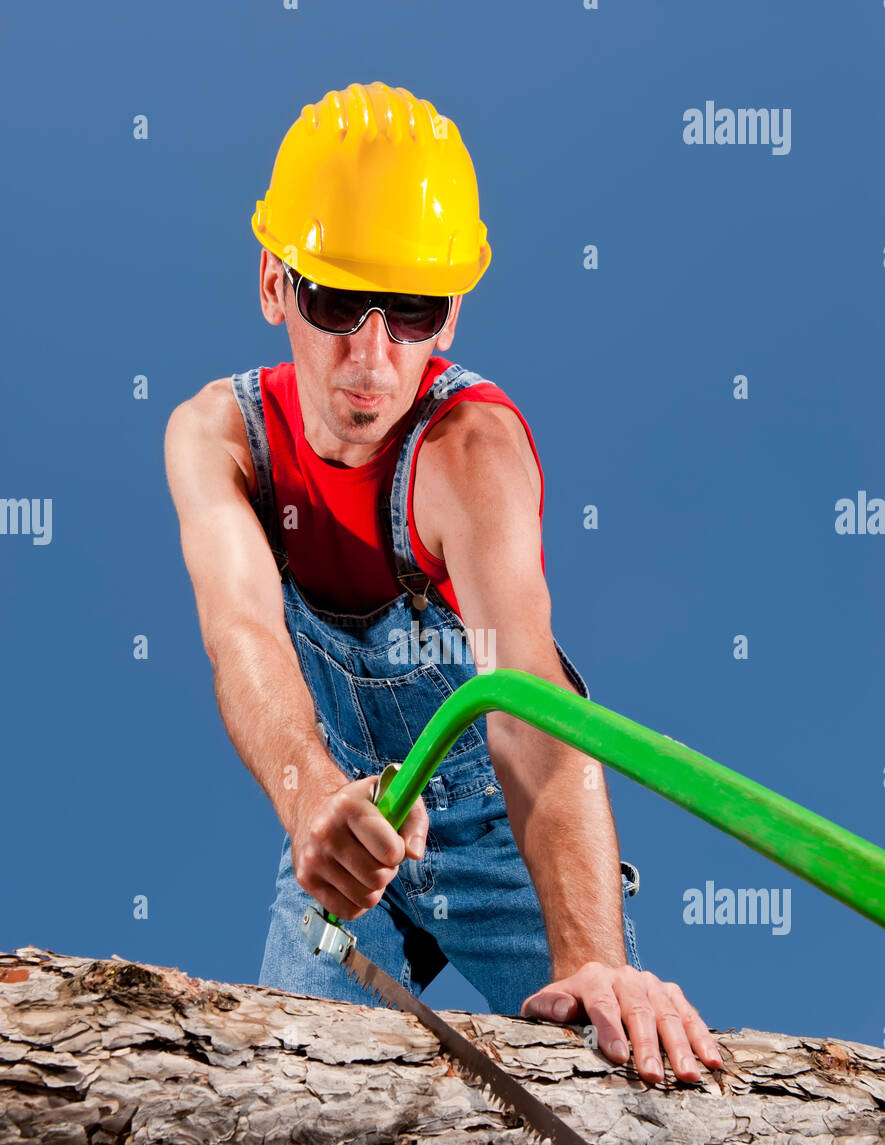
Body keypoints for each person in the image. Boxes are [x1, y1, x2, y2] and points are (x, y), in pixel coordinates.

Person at [165, 81, 722, 1086]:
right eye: (337, 301)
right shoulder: (217, 438)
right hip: (344, 819)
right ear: (273, 284)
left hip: (503, 835)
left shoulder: (471, 451)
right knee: (279, 1117)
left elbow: (531, 700)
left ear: (452, 313)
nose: (371, 359)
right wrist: (311, 803)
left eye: (412, 312)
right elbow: (242, 634)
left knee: (612, 1079)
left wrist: (594, 959)